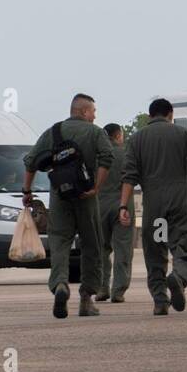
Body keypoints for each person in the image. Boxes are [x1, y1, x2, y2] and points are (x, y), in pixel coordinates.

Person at [23, 94, 114, 319]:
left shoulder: (53, 132)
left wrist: (27, 191)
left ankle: (60, 285)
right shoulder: (96, 132)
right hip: (86, 197)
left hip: (60, 196)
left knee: (60, 242)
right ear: (84, 112)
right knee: (91, 245)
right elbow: (107, 158)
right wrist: (96, 187)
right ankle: (86, 299)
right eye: (93, 111)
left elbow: (30, 161)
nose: (95, 115)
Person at [117, 98, 187, 315]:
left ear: (150, 116)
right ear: (170, 114)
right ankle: (178, 277)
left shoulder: (137, 139)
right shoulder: (182, 134)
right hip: (179, 200)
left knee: (156, 250)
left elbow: (129, 176)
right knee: (182, 245)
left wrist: (123, 206)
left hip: (154, 203)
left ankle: (160, 300)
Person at [95, 122, 133, 303]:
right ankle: (119, 290)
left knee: (101, 249)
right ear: (118, 136)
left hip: (99, 205)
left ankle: (102, 287)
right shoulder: (126, 153)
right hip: (122, 205)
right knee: (123, 248)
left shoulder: (96, 154)